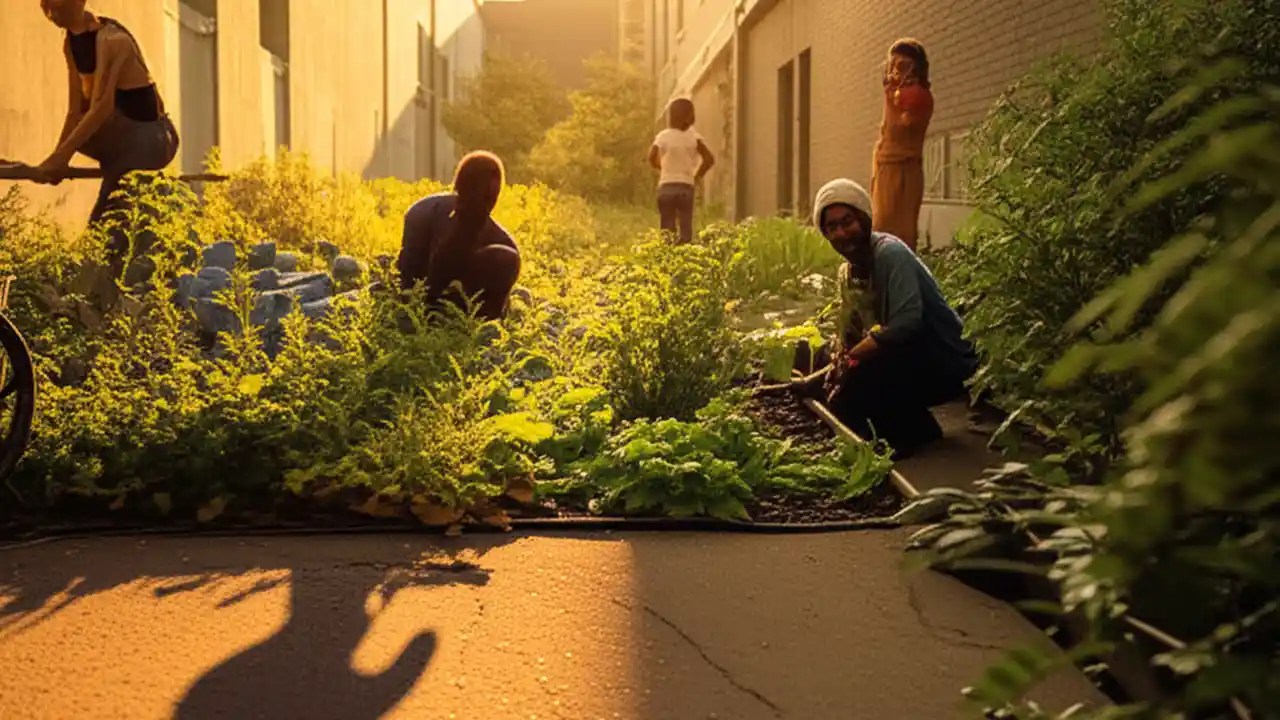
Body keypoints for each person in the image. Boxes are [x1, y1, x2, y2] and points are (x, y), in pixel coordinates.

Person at [799, 178, 978, 458]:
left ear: (864, 218)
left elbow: (907, 322)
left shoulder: (890, 254)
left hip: (942, 361)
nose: (842, 233)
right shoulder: (849, 273)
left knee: (853, 393)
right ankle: (900, 419)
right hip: (905, 358)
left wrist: (851, 361)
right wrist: (834, 364)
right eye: (832, 227)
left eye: (848, 222)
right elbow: (849, 334)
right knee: (814, 357)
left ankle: (915, 431)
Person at [32, 0, 180, 245]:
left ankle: (107, 241)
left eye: (59, 6)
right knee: (80, 133)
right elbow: (76, 110)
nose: (53, 14)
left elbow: (101, 107)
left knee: (108, 225)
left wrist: (59, 158)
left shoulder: (112, 41)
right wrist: (58, 158)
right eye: (49, 9)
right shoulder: (70, 43)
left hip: (152, 139)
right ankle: (121, 179)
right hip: (120, 138)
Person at [397, 151, 521, 322]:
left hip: (448, 316)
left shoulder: (502, 247)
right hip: (429, 312)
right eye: (486, 195)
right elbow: (408, 278)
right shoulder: (423, 215)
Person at [870, 38, 934, 251]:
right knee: (880, 229)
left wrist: (893, 97)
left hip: (903, 170)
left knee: (897, 234)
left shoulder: (917, 94)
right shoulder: (895, 92)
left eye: (902, 65)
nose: (895, 71)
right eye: (893, 64)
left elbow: (903, 126)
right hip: (885, 168)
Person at [648, 98, 715, 244]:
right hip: (685, 186)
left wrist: (662, 167)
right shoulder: (694, 137)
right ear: (691, 117)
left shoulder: (663, 136)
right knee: (685, 225)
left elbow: (651, 157)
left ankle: (668, 256)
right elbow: (709, 159)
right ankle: (684, 253)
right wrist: (697, 176)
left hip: (666, 187)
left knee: (667, 226)